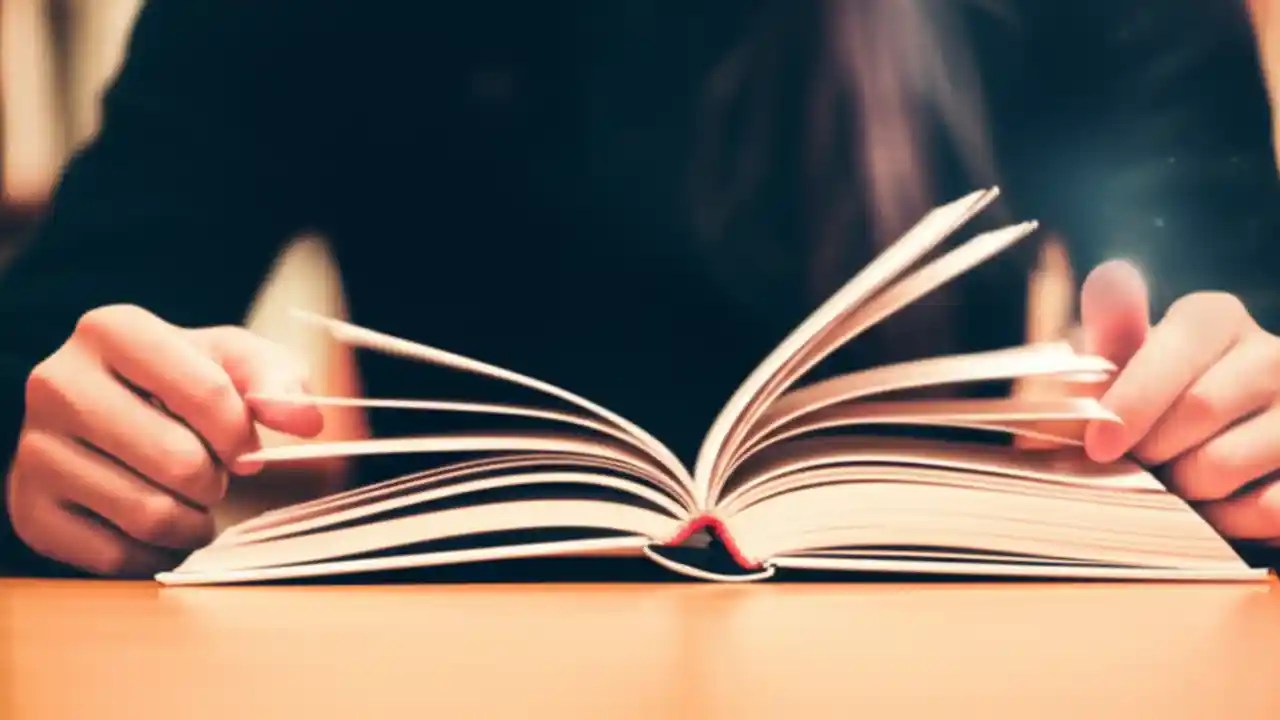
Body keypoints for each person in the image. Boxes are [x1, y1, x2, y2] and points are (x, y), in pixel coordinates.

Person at [0, 0, 1276, 578]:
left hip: (931, 657)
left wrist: (1246, 431)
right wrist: (68, 437)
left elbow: (1243, 327)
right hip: (437, 668)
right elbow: (58, 356)